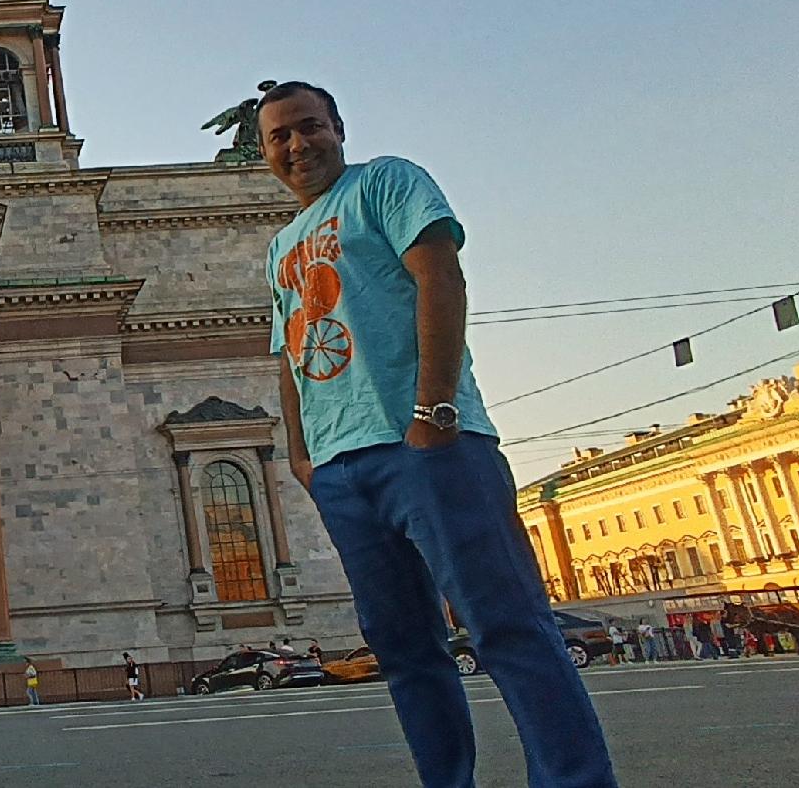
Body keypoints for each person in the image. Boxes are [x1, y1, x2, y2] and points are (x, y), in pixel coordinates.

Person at [258, 81, 619, 788]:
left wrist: (435, 410)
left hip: (428, 446)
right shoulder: (281, 246)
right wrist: (303, 457)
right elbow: (289, 352)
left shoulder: (389, 182)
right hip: (341, 469)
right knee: (402, 648)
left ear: (338, 127)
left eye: (309, 127)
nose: (297, 145)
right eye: (280, 136)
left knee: (505, 625)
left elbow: (439, 278)